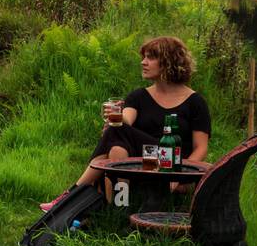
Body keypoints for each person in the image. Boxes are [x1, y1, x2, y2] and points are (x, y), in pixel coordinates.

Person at [40, 36, 212, 211]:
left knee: (116, 131)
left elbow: (201, 148)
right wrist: (116, 119)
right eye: (143, 57)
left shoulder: (195, 102)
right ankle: (118, 211)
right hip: (144, 160)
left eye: (150, 57)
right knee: (116, 146)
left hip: (171, 163)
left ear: (169, 62)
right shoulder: (138, 96)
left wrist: (181, 174)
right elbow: (127, 121)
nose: (143, 63)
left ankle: (68, 197)